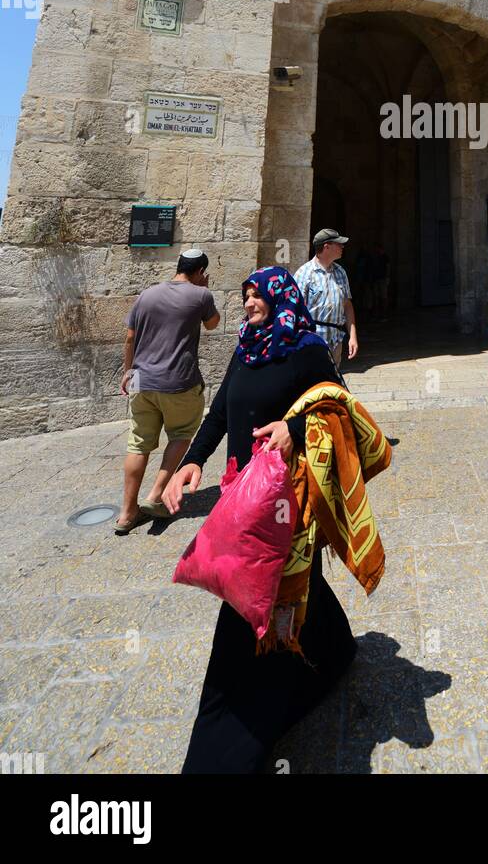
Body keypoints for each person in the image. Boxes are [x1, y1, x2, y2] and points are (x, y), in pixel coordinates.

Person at [163, 265, 390, 775]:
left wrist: (292, 426)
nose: (247, 304)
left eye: (255, 296)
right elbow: (222, 409)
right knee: (298, 585)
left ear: (279, 296)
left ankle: (226, 750)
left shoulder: (305, 349)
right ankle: (332, 653)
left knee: (253, 606)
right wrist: (192, 461)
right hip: (242, 496)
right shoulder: (247, 346)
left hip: (287, 504)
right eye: (243, 296)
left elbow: (340, 408)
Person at [116, 247, 220, 534]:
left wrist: (128, 371)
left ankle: (126, 514)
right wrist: (205, 290)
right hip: (179, 382)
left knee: (138, 443)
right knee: (182, 434)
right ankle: (156, 495)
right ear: (200, 272)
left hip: (142, 381)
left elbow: (129, 338)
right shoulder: (201, 295)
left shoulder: (147, 294)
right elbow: (213, 324)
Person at [294, 227, 358, 370]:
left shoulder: (340, 272)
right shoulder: (304, 274)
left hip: (336, 341)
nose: (342, 247)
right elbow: (296, 310)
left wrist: (352, 336)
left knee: (332, 384)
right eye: (338, 244)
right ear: (326, 247)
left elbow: (347, 305)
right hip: (313, 340)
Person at [370, 244, 390, 321]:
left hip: (383, 279)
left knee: (383, 297)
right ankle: (377, 314)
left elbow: (388, 267)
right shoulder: (376, 257)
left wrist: (387, 277)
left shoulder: (385, 257)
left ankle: (384, 314)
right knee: (376, 297)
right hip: (377, 279)